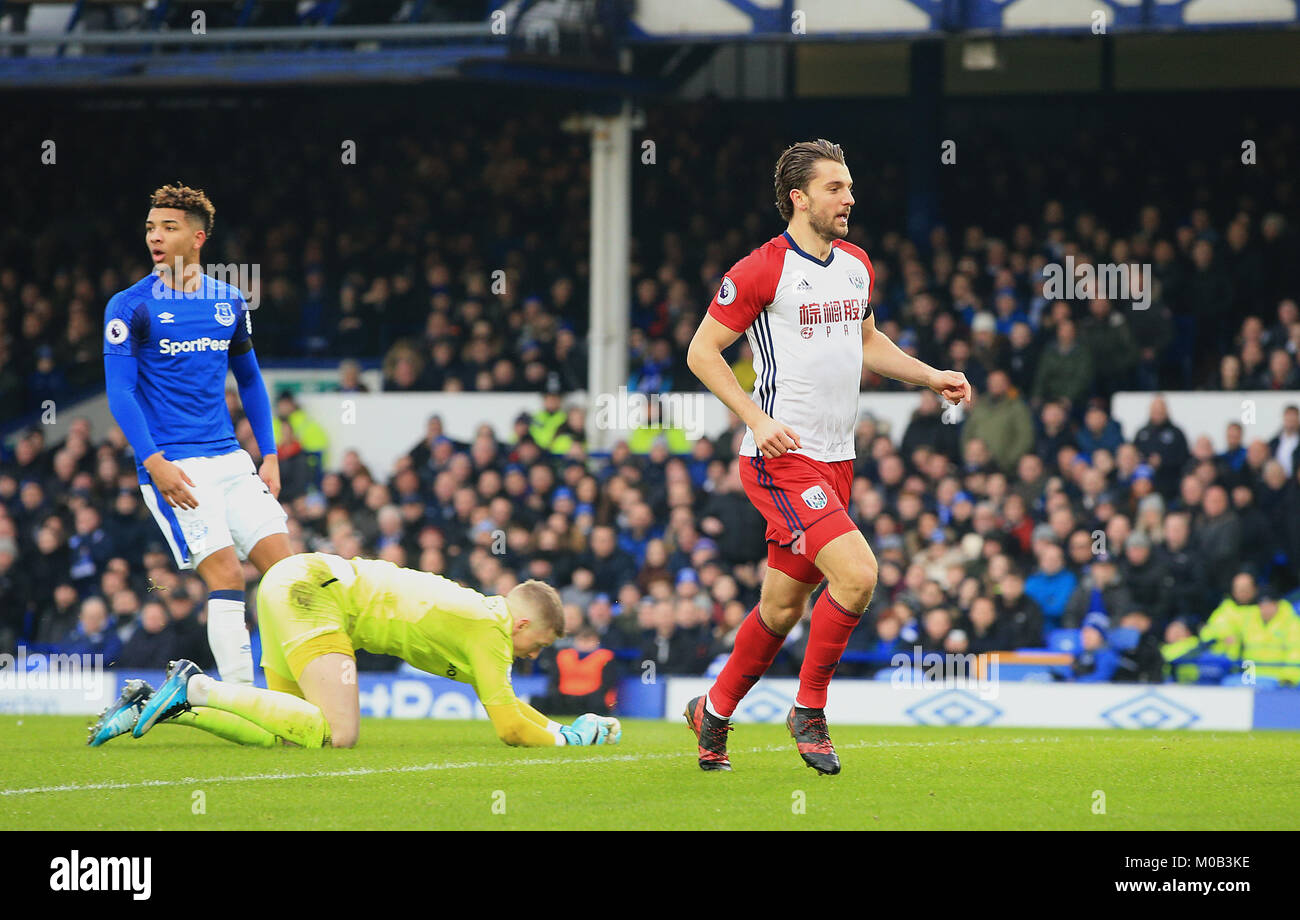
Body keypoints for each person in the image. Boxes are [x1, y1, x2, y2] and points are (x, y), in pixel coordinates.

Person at [683, 139, 972, 774]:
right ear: (799, 198)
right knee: (860, 573)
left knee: (781, 608)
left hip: (837, 461)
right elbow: (702, 352)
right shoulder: (761, 269)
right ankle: (808, 710)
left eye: (849, 187)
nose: (849, 198)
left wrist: (932, 376)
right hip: (780, 457)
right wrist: (756, 420)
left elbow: (868, 343)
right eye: (835, 188)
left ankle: (714, 711)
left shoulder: (856, 265)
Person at [89, 552, 621, 749]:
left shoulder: (483, 620)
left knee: (284, 734)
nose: (536, 654)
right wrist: (568, 741)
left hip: (291, 581)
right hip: (316, 595)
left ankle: (163, 705)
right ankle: (199, 683)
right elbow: (508, 728)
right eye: (541, 642)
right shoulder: (491, 631)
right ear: (523, 621)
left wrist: (558, 729)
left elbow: (508, 706)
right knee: (339, 734)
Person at [102, 183, 291, 687]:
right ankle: (243, 699)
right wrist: (154, 460)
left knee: (287, 573)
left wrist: (268, 454)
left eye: (168, 227)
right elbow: (120, 394)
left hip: (232, 461)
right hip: (176, 469)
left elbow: (249, 378)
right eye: (150, 227)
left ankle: (289, 690)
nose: (155, 237)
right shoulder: (129, 306)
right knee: (227, 577)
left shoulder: (228, 300)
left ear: (198, 237)